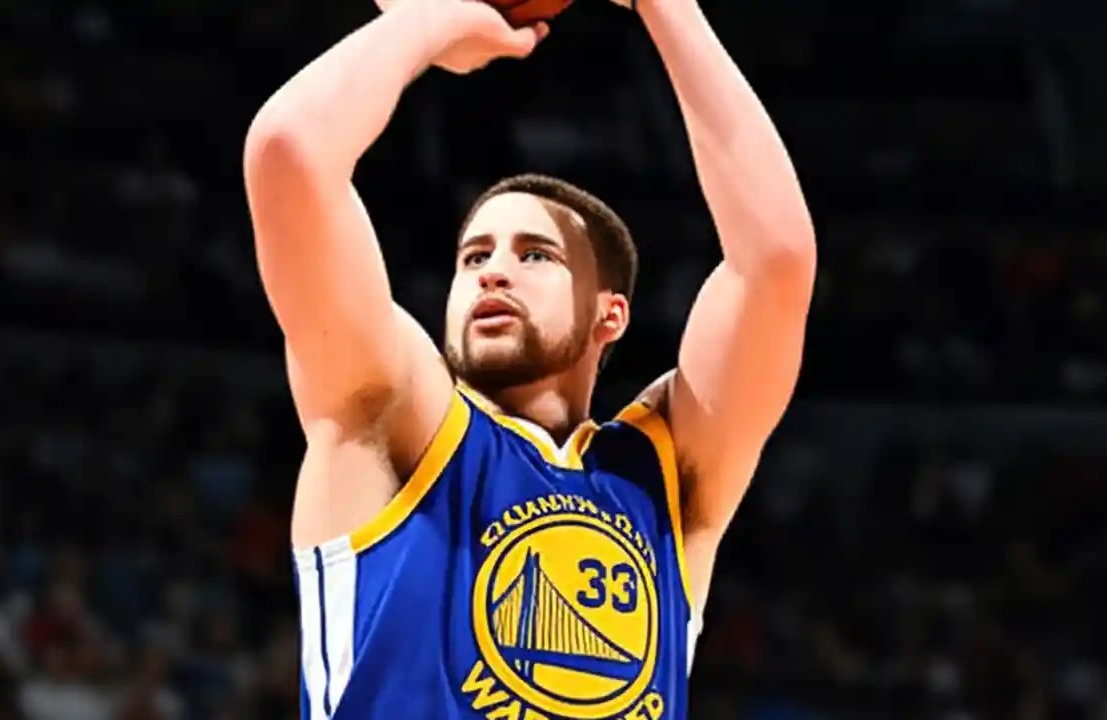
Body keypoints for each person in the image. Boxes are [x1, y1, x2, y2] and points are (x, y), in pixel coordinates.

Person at [242, 0, 815, 716]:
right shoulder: (397, 418)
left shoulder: (664, 477)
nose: (491, 272)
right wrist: (435, 21)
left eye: (534, 254)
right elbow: (289, 152)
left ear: (611, 313)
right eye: (473, 256)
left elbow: (777, 262)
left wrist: (668, 8)